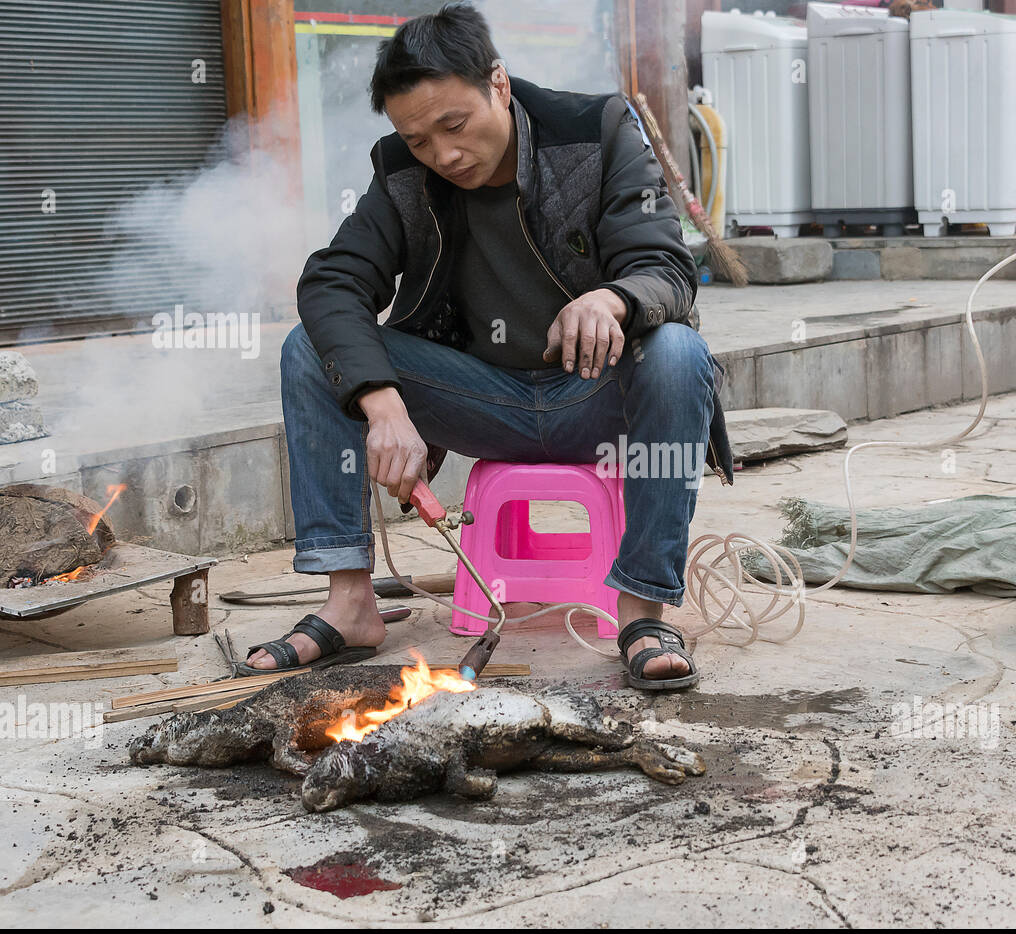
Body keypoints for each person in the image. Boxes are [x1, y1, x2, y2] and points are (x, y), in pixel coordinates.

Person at [241, 3, 734, 692]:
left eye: (454, 124)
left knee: (679, 353)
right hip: (481, 398)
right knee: (308, 350)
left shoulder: (597, 130)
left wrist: (613, 299)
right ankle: (350, 604)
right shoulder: (402, 173)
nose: (443, 154)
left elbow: (671, 271)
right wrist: (381, 405)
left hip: (597, 396)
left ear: (497, 83)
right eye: (418, 140)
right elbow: (332, 282)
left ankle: (642, 613)